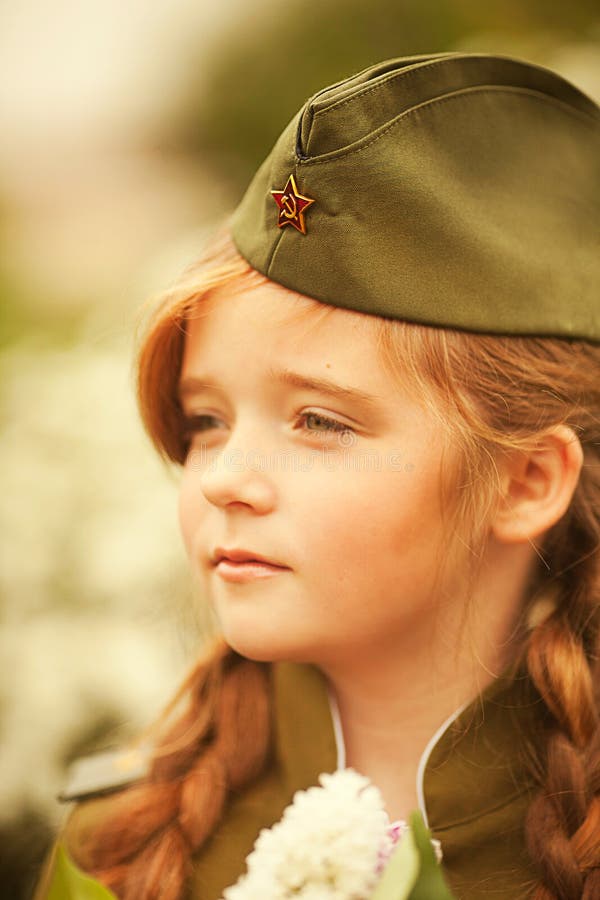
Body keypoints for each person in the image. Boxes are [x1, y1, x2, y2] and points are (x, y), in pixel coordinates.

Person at [33, 51, 600, 900]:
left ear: (524, 482)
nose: (226, 479)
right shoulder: (121, 844)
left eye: (319, 422)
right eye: (205, 422)